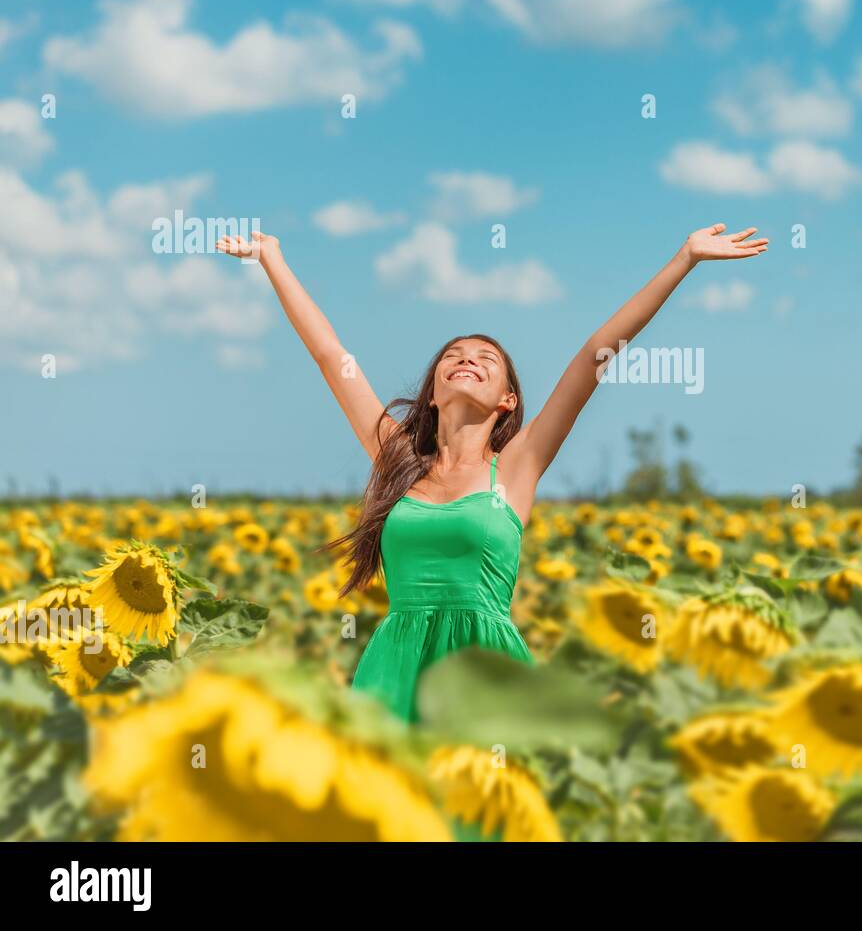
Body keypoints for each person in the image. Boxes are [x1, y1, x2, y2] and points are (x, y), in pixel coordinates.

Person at [217, 224, 768, 723]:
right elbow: (330, 355)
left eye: (486, 357)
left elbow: (595, 355)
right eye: (453, 355)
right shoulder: (396, 462)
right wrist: (273, 260)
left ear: (507, 399)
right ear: (432, 394)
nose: (466, 358)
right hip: (392, 671)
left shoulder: (517, 468)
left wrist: (683, 260)